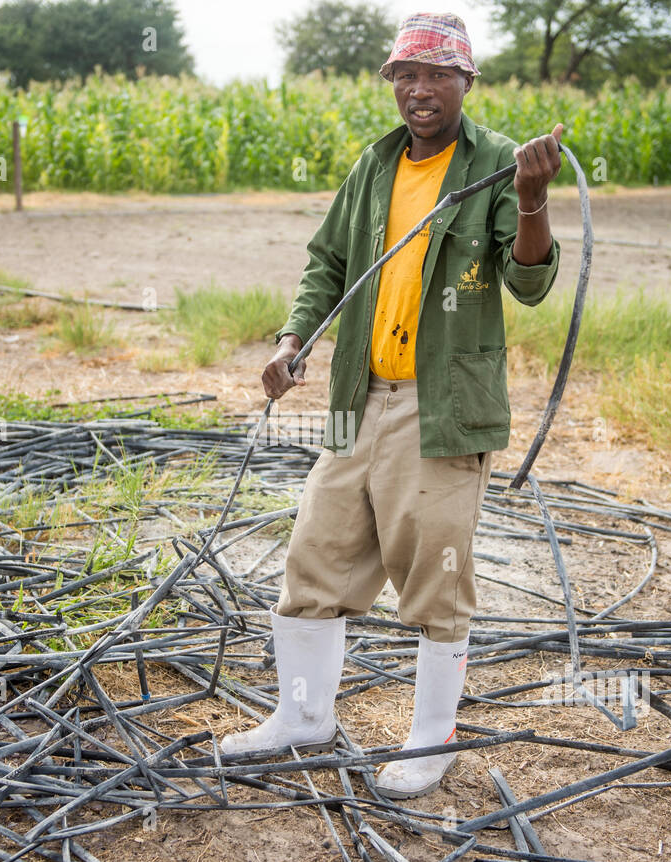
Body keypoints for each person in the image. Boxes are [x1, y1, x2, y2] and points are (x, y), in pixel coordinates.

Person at [220, 12, 563, 800]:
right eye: (405, 75)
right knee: (314, 557)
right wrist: (290, 338)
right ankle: (303, 717)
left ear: (464, 82)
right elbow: (328, 263)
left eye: (437, 74)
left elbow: (531, 282)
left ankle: (430, 739)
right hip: (354, 395)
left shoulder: (499, 166)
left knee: (434, 574)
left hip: (440, 405)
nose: (418, 89)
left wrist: (533, 198)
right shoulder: (373, 168)